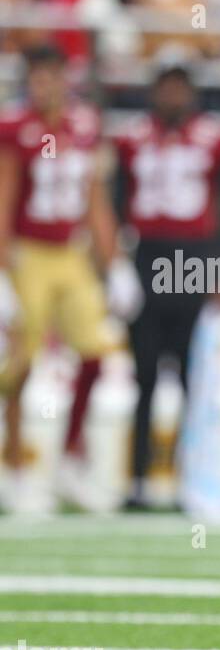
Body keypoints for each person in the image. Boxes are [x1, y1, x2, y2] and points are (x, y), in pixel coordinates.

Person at [0, 44, 140, 514]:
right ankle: (14, 468)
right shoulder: (17, 131)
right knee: (19, 364)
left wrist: (115, 263)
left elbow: (95, 200)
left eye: (52, 76)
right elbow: (3, 201)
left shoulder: (83, 126)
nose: (45, 86)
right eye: (37, 78)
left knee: (95, 355)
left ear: (65, 78)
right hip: (28, 254)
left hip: (71, 253)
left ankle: (68, 460)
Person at [114, 58, 220, 509]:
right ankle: (139, 482)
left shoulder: (213, 138)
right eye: (165, 87)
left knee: (194, 377)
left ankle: (194, 480)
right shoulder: (131, 137)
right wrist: (116, 267)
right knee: (144, 376)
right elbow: (115, 203)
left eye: (179, 88)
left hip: (194, 260)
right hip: (146, 259)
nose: (173, 97)